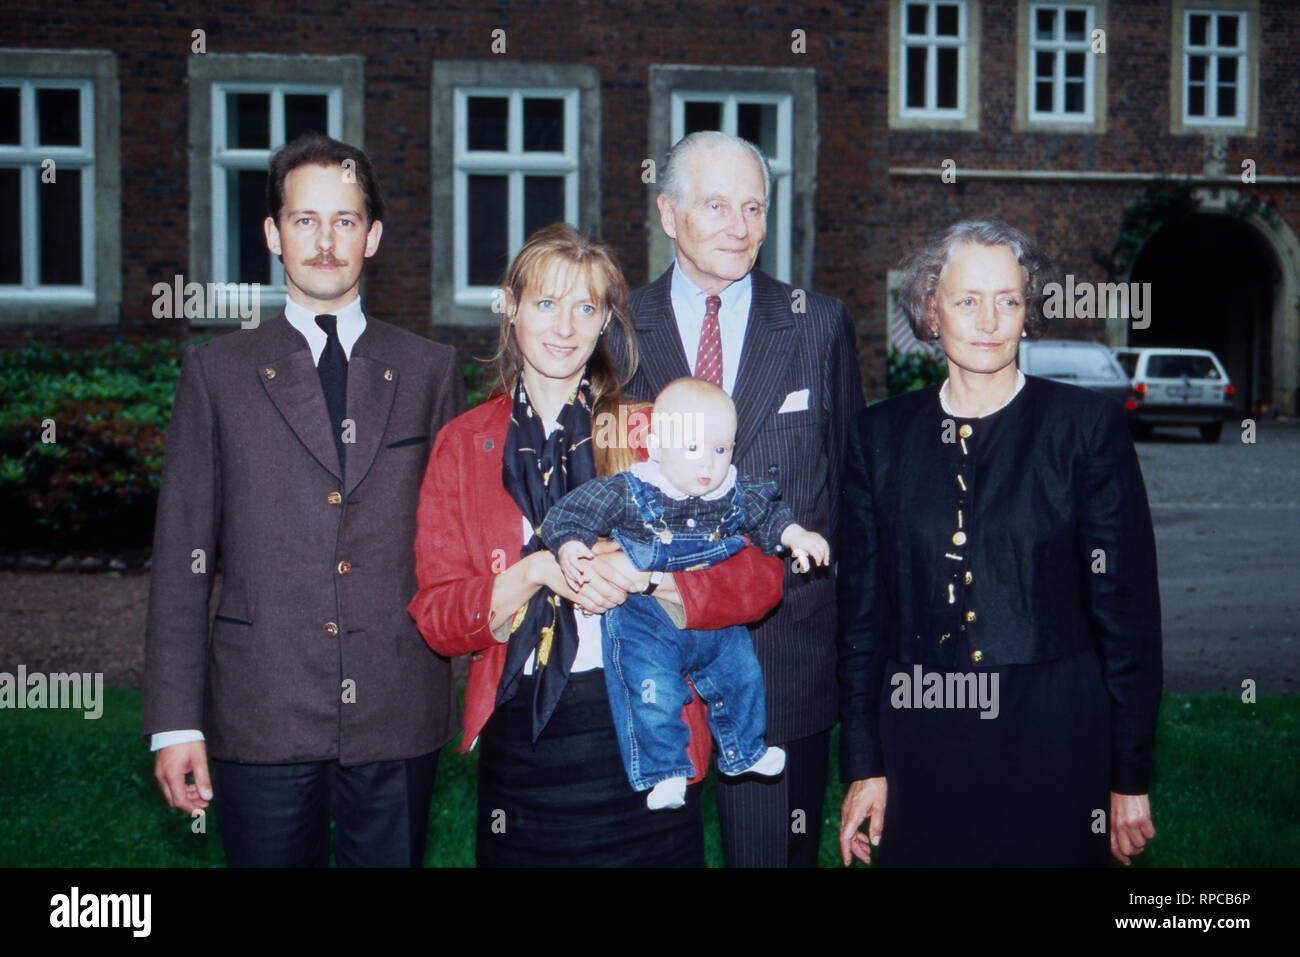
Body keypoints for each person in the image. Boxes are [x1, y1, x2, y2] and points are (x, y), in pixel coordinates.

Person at [408, 223, 784, 866]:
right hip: (526, 744)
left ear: (606, 318)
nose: (564, 327)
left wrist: (651, 576)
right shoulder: (464, 444)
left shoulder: (654, 428)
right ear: (511, 308)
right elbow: (440, 620)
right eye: (545, 303)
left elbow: (761, 578)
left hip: (649, 728)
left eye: (585, 307)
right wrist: (535, 572)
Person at [142, 132, 464, 867]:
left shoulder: (428, 371)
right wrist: (172, 721)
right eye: (305, 220)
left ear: (373, 236)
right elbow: (181, 559)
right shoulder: (216, 374)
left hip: (396, 704)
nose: (326, 241)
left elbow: (457, 539)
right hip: (261, 705)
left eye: (345, 221)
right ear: (273, 234)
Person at [836, 219, 1163, 868]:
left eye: (1007, 300)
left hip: (1054, 729)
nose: (989, 320)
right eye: (966, 300)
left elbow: (1126, 613)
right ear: (931, 311)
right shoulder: (879, 438)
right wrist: (865, 762)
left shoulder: (1086, 428)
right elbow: (862, 617)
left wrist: (1129, 774)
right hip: (923, 728)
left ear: (1027, 310)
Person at [613, 130, 863, 867]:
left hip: (783, 659)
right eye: (716, 205)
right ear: (668, 213)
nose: (739, 226)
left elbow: (851, 494)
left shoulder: (817, 325)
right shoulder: (618, 328)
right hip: (652, 659)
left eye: (753, 207)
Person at [540, 377, 830, 811]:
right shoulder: (629, 489)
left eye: (721, 449)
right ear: (656, 445)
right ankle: (664, 772)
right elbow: (570, 513)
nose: (708, 464)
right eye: (693, 448)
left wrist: (797, 535)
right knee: (652, 690)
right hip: (646, 621)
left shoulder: (733, 492)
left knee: (744, 677)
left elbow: (770, 516)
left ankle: (743, 752)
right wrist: (570, 544)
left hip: (713, 621)